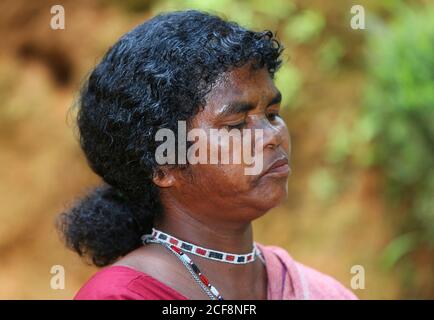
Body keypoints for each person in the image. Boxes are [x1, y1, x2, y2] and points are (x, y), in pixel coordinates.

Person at [57, 9, 357, 300]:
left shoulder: (315, 290)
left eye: (273, 113)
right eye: (237, 124)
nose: (272, 136)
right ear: (163, 165)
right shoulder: (120, 296)